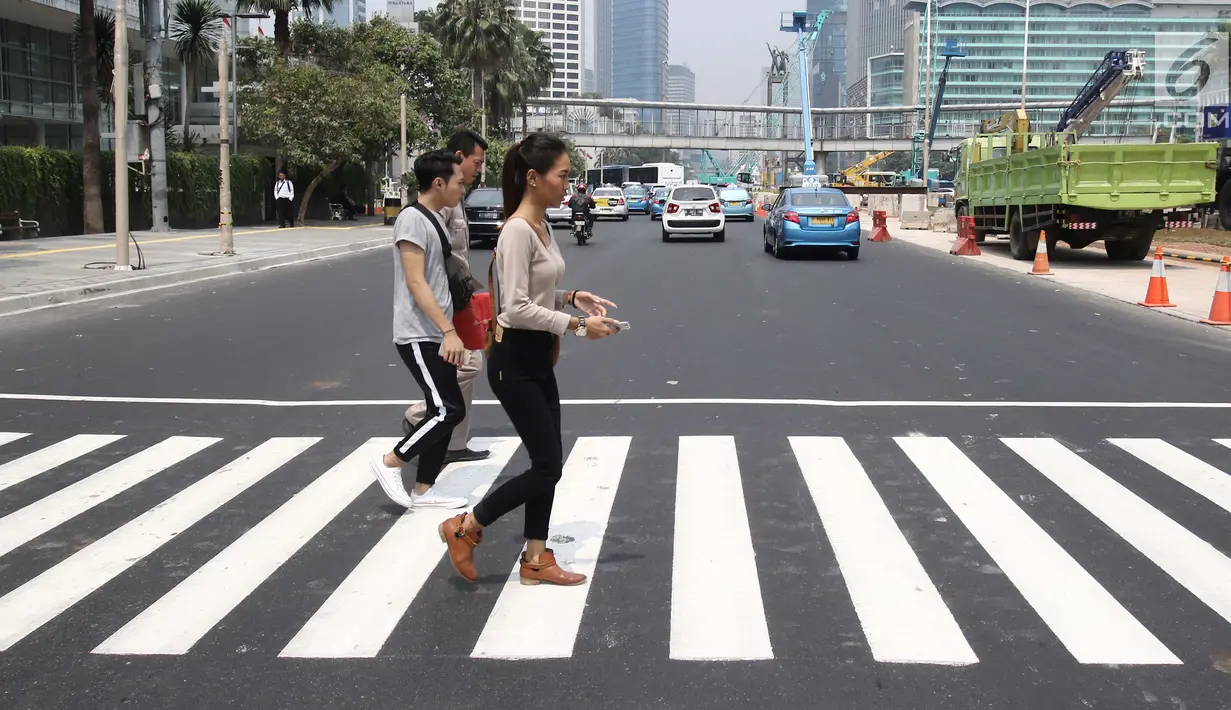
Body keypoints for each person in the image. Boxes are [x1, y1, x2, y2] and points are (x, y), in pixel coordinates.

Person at [438, 132, 621, 586]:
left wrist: (572, 297)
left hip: (537, 355)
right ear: (535, 178)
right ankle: (467, 526)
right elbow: (514, 308)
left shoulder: (541, 226)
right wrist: (577, 326)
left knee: (548, 462)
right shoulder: (518, 230)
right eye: (563, 176)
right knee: (547, 465)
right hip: (513, 359)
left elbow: (534, 292)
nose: (568, 184)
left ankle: (536, 557)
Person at [368, 149, 471, 510]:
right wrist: (447, 331)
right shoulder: (412, 219)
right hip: (420, 333)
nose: (464, 186)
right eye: (459, 181)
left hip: (436, 331)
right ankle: (391, 462)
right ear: (438, 182)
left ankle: (424, 489)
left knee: (440, 408)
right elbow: (416, 281)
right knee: (449, 411)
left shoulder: (435, 219)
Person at [401, 130, 490, 464]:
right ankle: (420, 415)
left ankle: (453, 443)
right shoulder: (438, 205)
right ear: (458, 157)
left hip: (458, 296)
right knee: (466, 364)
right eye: (476, 162)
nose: (479, 169)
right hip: (446, 301)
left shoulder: (457, 196)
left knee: (466, 365)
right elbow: (430, 264)